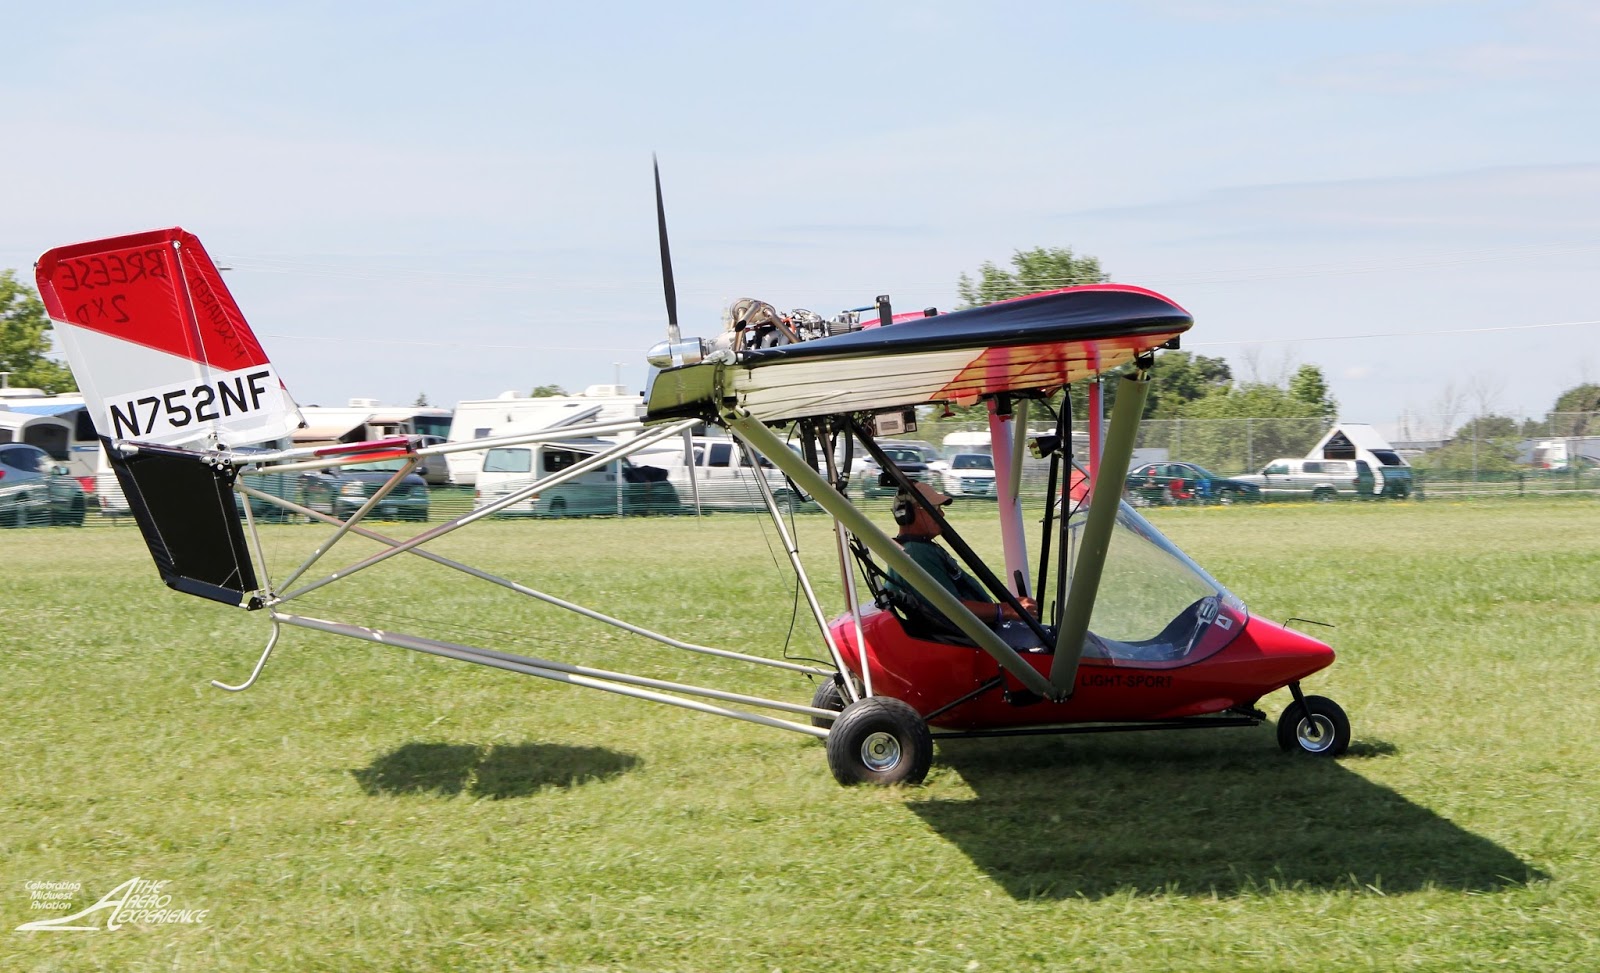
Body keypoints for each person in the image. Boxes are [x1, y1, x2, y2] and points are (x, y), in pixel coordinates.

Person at [885, 482, 1036, 628]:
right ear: (909, 513)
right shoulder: (917, 554)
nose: (941, 514)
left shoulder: (916, 549)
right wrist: (1006, 610)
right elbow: (953, 608)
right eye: (935, 508)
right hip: (973, 641)